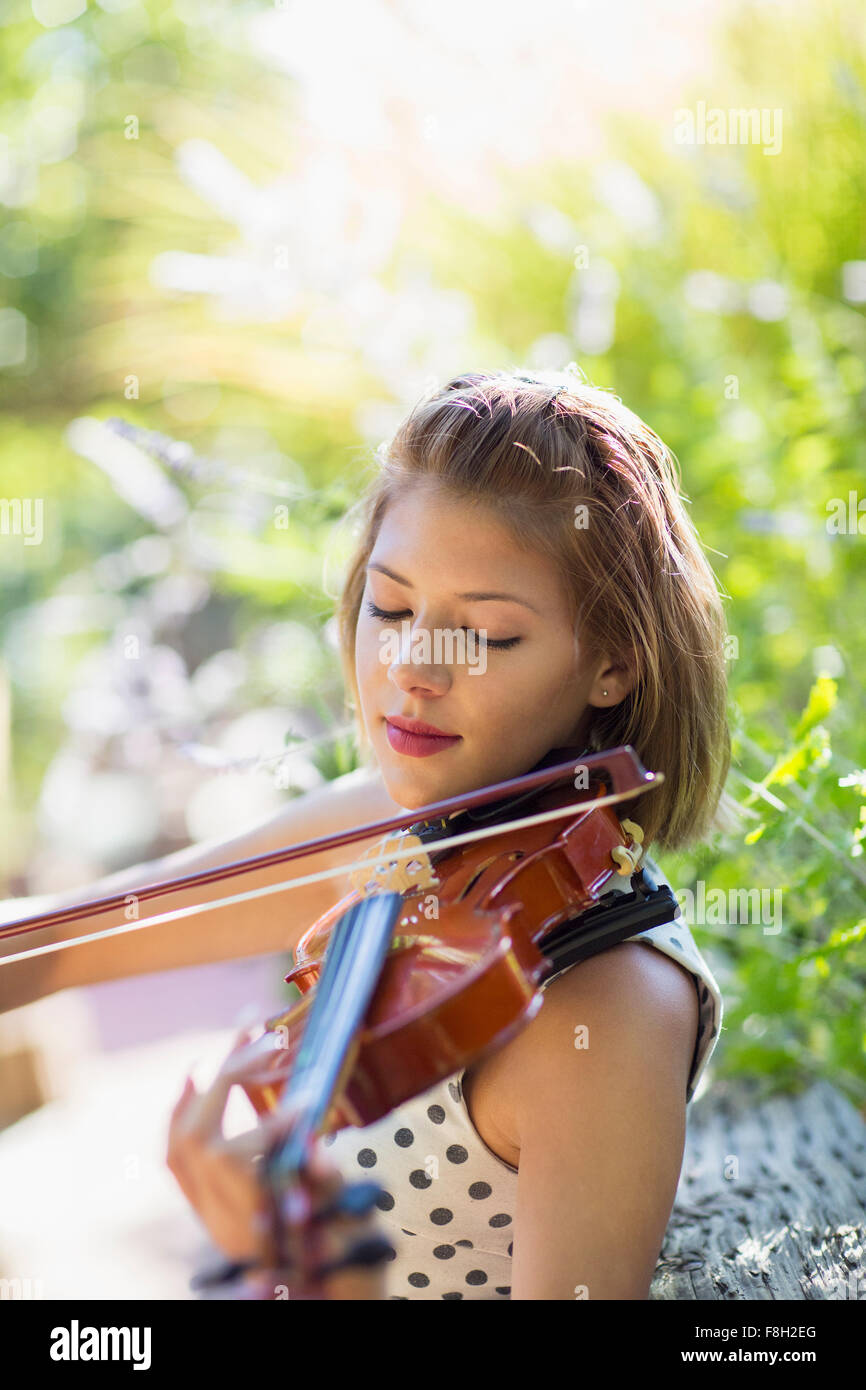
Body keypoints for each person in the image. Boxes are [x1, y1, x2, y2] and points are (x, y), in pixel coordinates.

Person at [3, 368, 731, 1300]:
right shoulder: (396, 836)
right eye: (390, 610)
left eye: (486, 635)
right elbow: (73, 938)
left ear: (613, 667)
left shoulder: (608, 1014)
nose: (412, 670)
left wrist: (309, 1272)